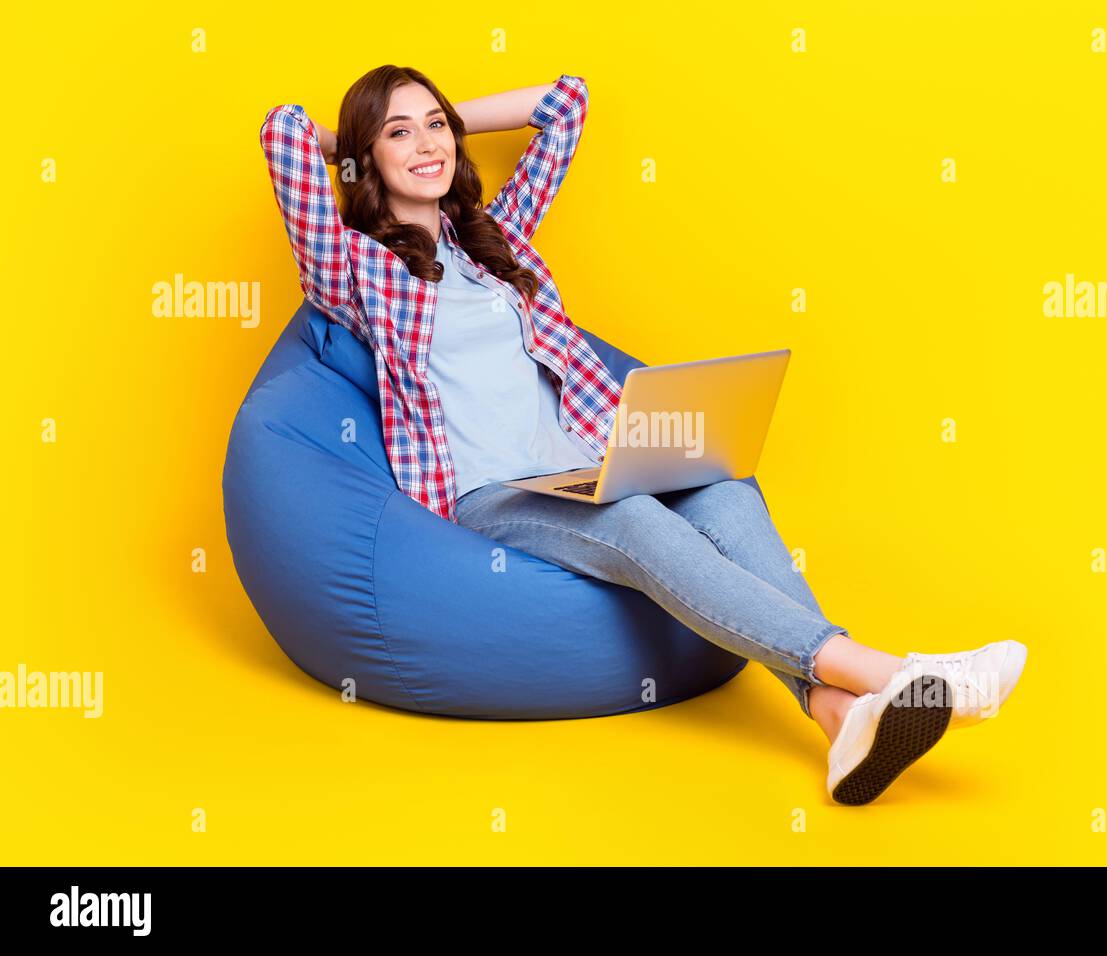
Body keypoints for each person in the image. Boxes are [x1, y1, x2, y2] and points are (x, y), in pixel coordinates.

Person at [260, 65, 1028, 806]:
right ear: (366, 156)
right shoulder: (353, 266)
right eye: (401, 133)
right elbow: (282, 134)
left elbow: (567, 104)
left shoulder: (498, 241)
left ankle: (838, 718)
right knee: (636, 524)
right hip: (488, 495)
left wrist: (442, 122)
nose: (428, 145)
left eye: (438, 127)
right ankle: (897, 674)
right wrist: (357, 138)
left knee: (724, 491)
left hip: (586, 462)